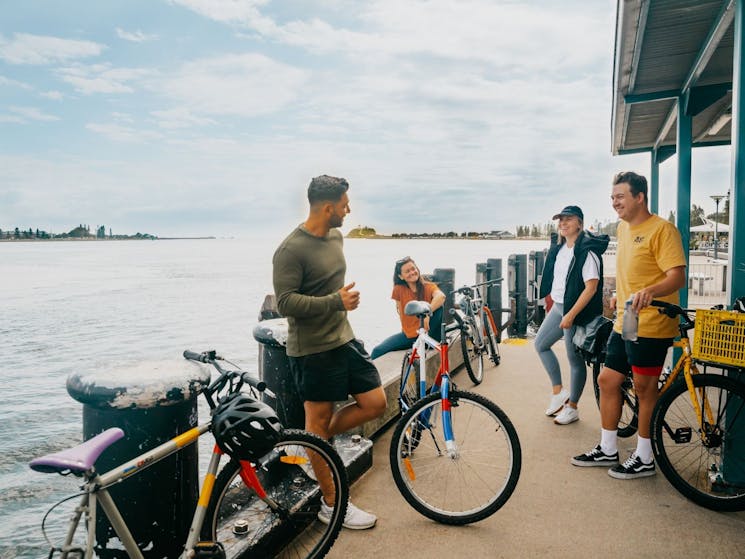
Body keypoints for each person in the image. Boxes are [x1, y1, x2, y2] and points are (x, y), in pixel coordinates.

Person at [273, 175, 387, 529]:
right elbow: (285, 302)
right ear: (327, 207)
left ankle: (315, 449)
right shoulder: (290, 250)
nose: (348, 209)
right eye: (344, 204)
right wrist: (334, 301)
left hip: (344, 339)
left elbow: (328, 284)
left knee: (376, 403)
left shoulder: (336, 237)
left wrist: (342, 301)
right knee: (316, 424)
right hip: (313, 351)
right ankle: (332, 503)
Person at [572, 171, 686, 479]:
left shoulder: (663, 230)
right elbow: (632, 274)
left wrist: (651, 291)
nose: (615, 203)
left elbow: (676, 276)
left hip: (653, 323)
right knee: (608, 381)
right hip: (626, 321)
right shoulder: (623, 229)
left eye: (620, 197)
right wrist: (618, 297)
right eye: (612, 198)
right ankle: (608, 447)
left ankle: (645, 457)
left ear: (640, 197)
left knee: (645, 389)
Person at [535, 205, 608, 425]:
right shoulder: (560, 249)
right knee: (540, 344)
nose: (563, 223)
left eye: (568, 219)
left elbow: (591, 288)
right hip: (558, 306)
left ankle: (573, 406)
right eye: (560, 220)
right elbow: (558, 280)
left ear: (580, 223)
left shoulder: (587, 251)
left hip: (575, 312)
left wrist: (571, 315)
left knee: (574, 360)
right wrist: (552, 303)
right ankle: (558, 392)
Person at [370, 257, 446, 360]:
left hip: (429, 334)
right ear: (401, 276)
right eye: (407, 271)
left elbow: (441, 296)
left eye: (413, 269)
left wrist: (427, 313)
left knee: (438, 307)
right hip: (410, 335)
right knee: (377, 351)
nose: (412, 272)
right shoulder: (398, 290)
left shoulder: (429, 286)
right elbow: (401, 313)